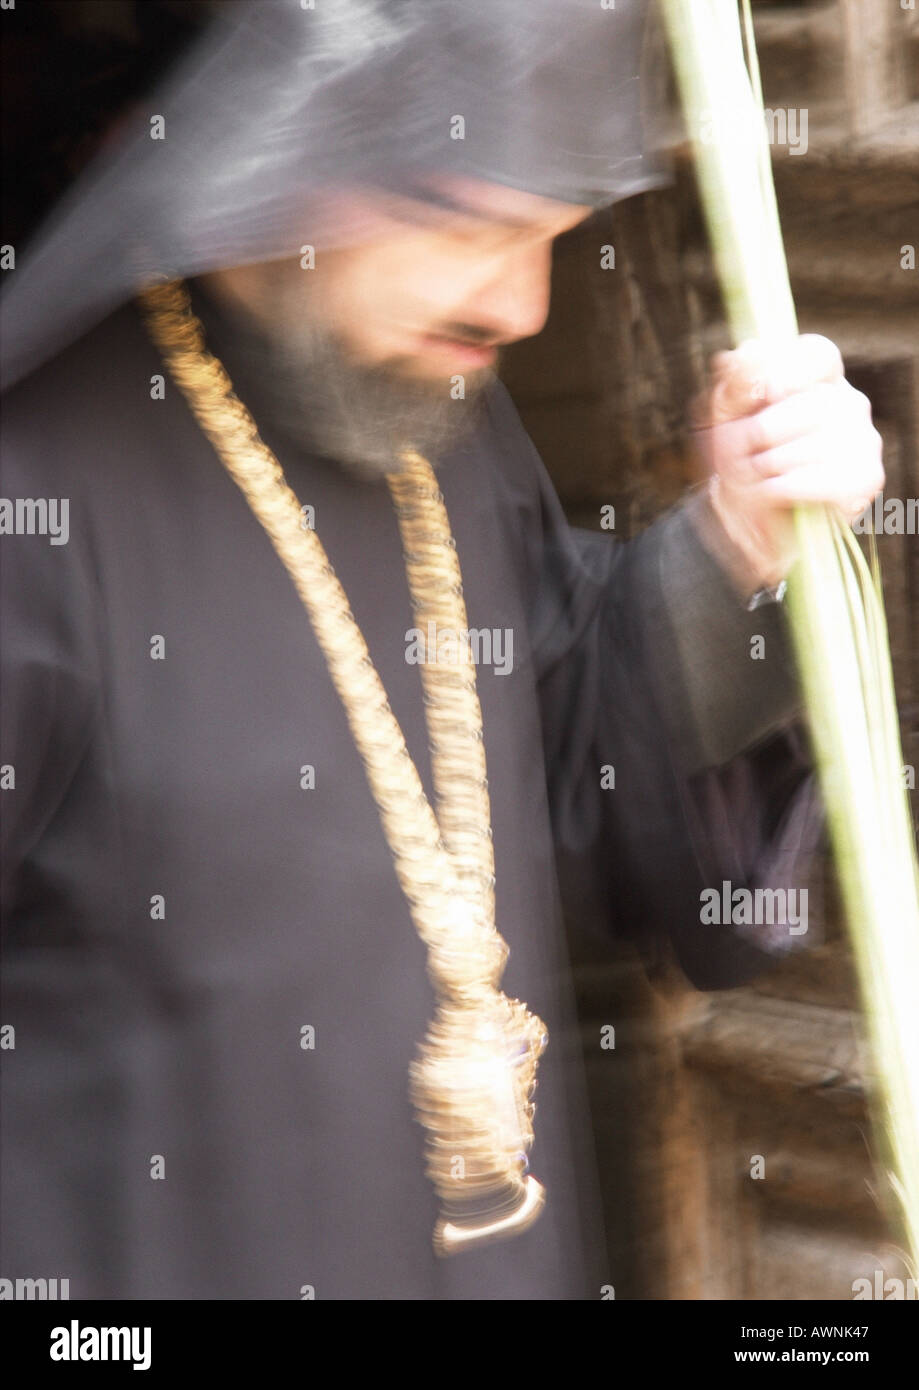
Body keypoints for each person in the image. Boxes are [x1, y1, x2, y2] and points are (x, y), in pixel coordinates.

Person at [0, 0, 883, 1300]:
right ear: (293, 155)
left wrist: (736, 540)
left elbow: (578, 752)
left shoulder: (443, 431)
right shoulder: (38, 492)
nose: (523, 304)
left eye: (549, 235)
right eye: (474, 227)